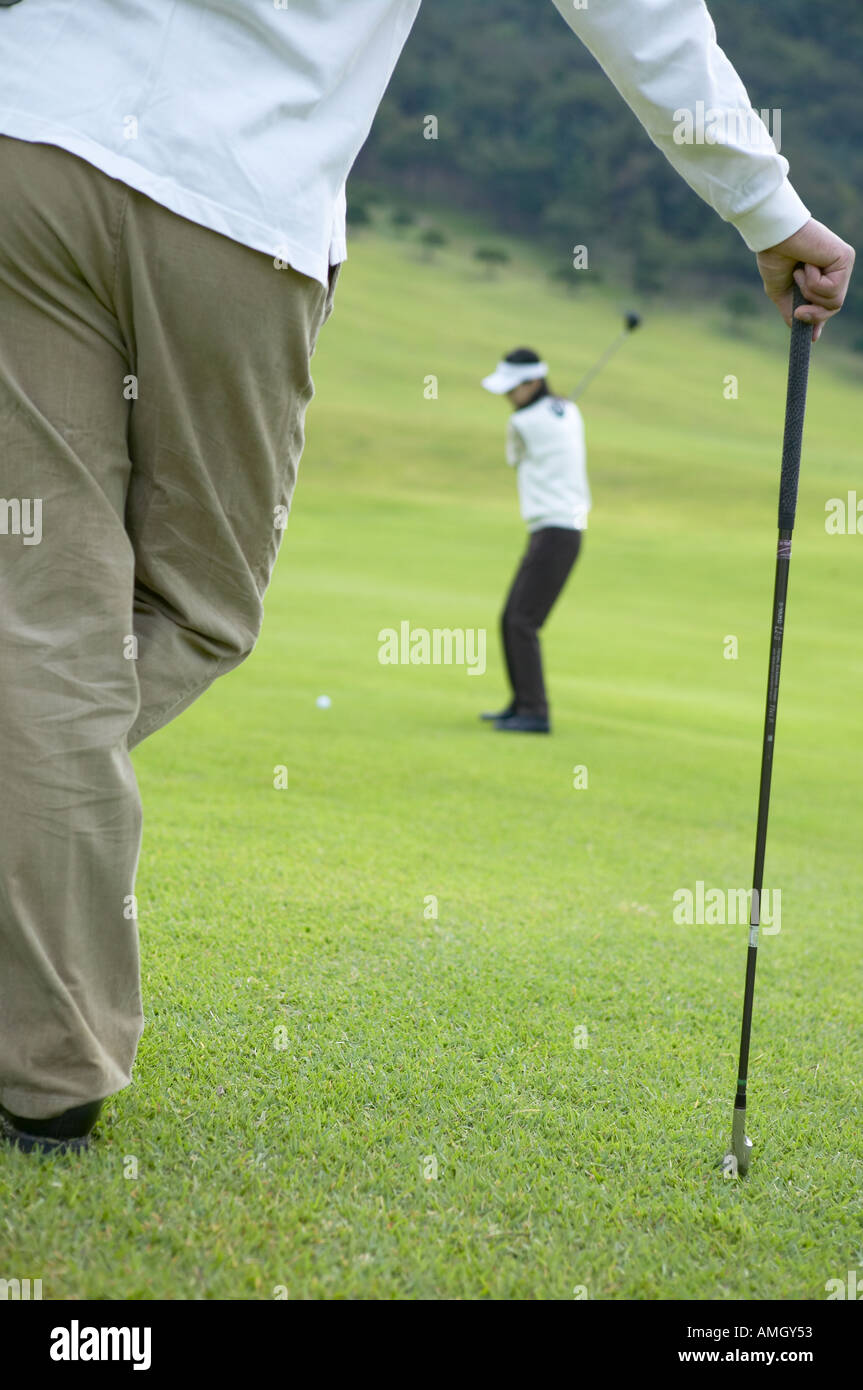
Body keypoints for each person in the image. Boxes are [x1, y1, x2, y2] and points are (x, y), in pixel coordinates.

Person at [0, 1, 854, 1154]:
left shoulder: (543, 418)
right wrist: (765, 206)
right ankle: (49, 1073)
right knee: (181, 616)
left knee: (43, 628)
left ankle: (43, 957)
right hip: (238, 200)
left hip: (28, 135)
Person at [480, 350, 588, 733]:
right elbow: (560, 420)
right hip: (563, 530)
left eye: (513, 388)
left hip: (554, 530)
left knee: (521, 621)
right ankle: (520, 703)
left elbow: (515, 459)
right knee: (514, 618)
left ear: (534, 383)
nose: (508, 396)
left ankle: (535, 713)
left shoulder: (522, 421)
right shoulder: (569, 411)